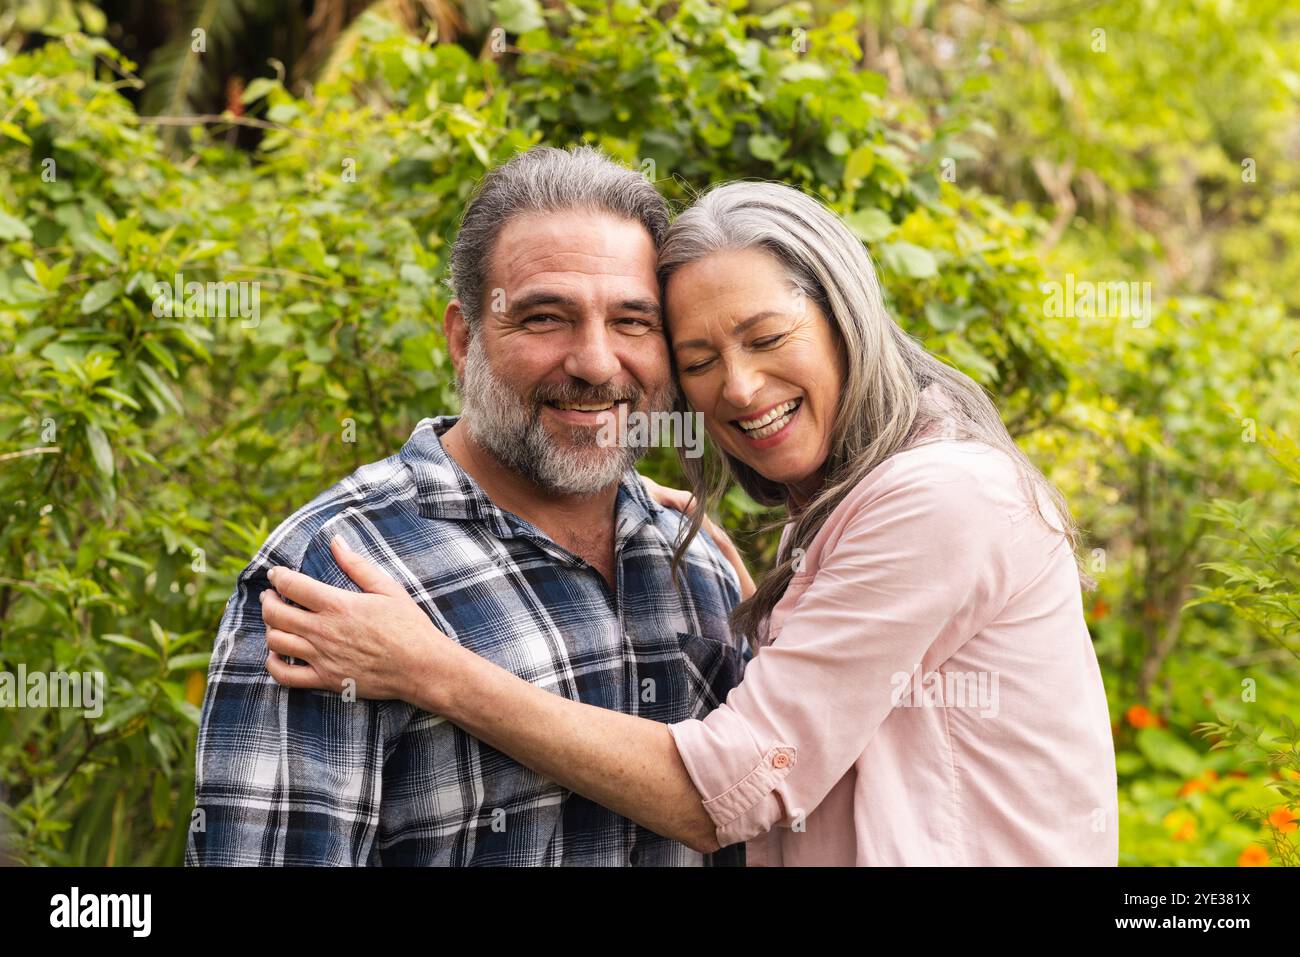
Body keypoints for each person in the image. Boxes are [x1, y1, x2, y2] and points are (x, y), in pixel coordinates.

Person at [262, 180, 1120, 866]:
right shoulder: (339, 561)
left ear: (845, 320)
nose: (739, 388)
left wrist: (431, 668)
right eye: (700, 359)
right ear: (464, 336)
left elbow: (736, 786)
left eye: (768, 335)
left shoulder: (939, 496)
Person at [185, 146, 752, 866]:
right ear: (464, 338)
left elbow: (754, 806)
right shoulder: (332, 575)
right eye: (546, 317)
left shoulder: (696, 561)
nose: (596, 363)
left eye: (634, 322)